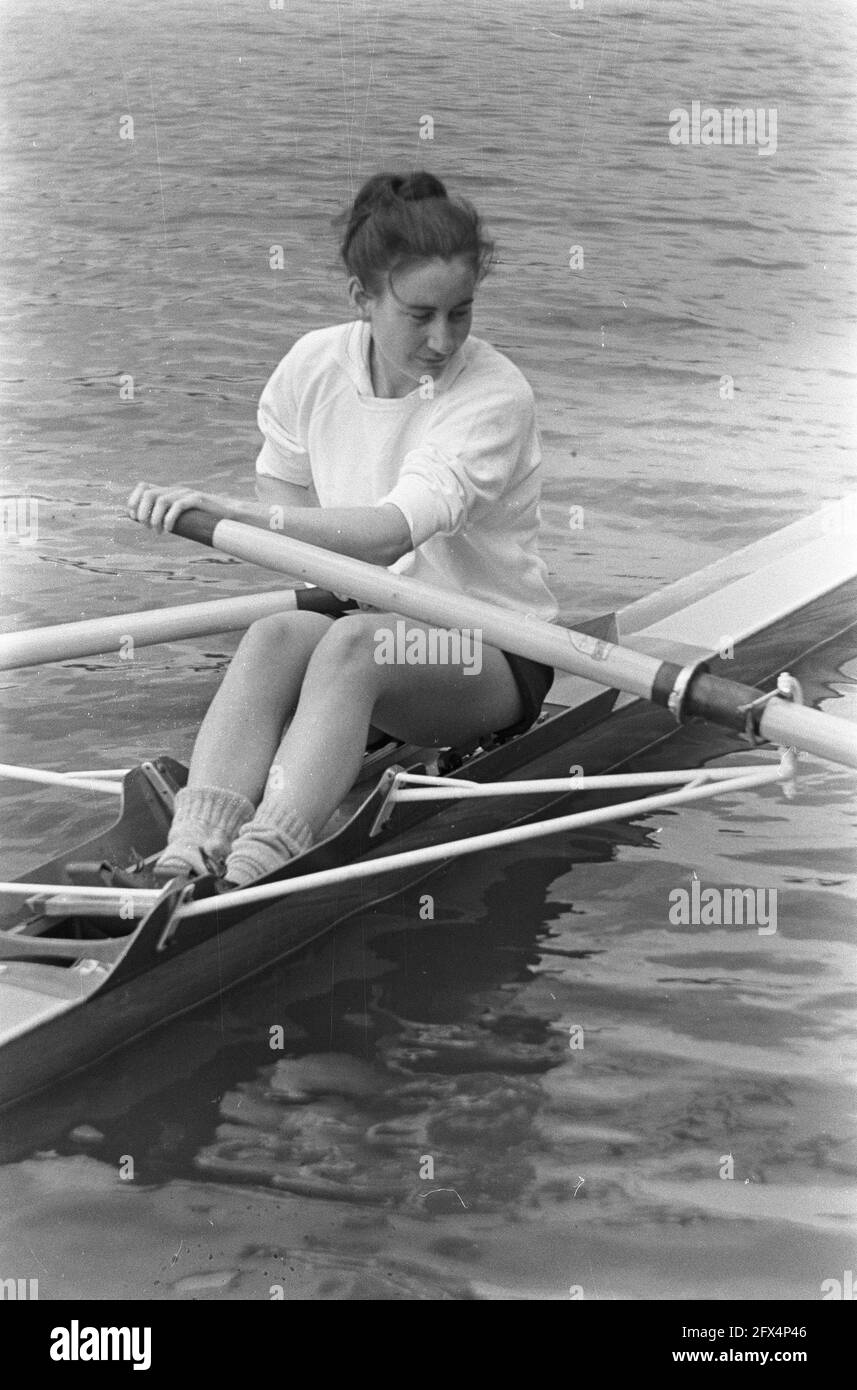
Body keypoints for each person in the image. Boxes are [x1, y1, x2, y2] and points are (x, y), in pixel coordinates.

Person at [126, 170, 558, 887]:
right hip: (372, 619)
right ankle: (190, 851)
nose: (441, 339)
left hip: (493, 648)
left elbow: (390, 533)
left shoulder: (493, 395)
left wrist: (234, 515)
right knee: (274, 635)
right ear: (362, 298)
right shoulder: (310, 366)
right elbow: (289, 495)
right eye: (418, 315)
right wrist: (278, 539)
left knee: (354, 644)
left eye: (461, 312)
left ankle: (257, 868)